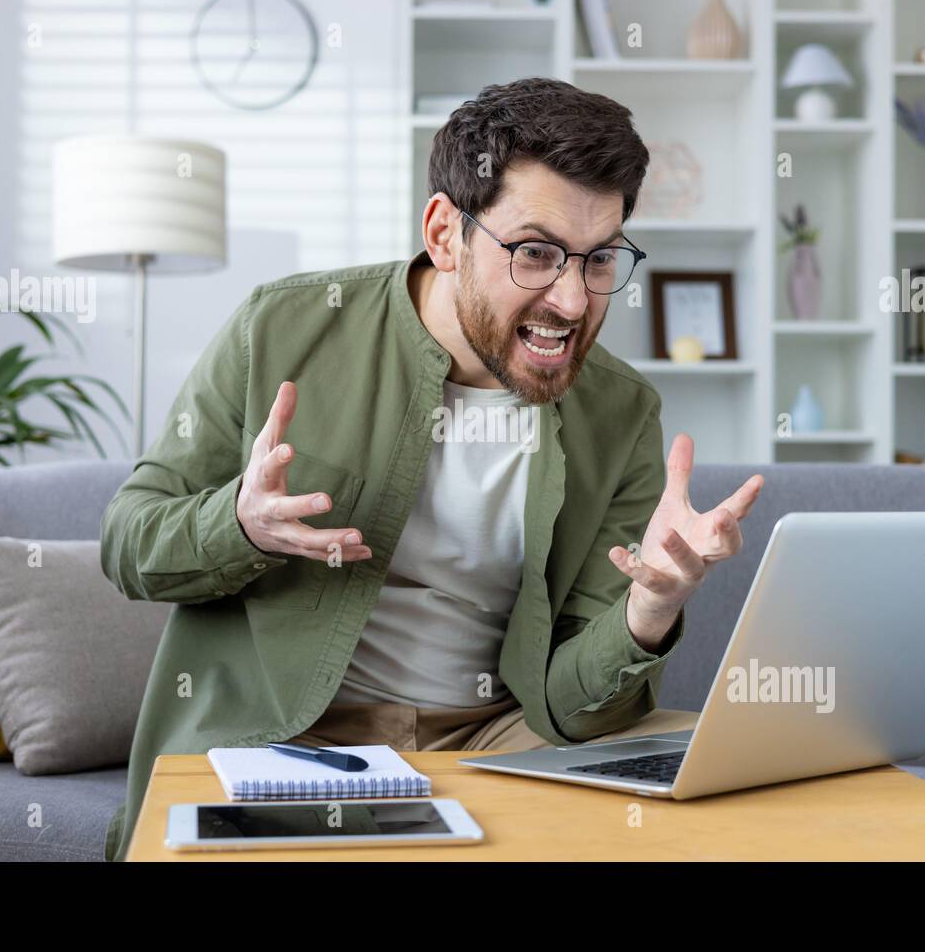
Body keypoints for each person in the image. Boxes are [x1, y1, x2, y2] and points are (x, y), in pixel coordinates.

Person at [99, 77, 762, 861]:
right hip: (293, 734)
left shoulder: (619, 413)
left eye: (600, 258)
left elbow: (574, 706)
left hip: (502, 735)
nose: (574, 300)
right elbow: (128, 544)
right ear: (445, 233)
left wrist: (647, 614)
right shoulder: (282, 327)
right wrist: (240, 526)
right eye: (536, 252)